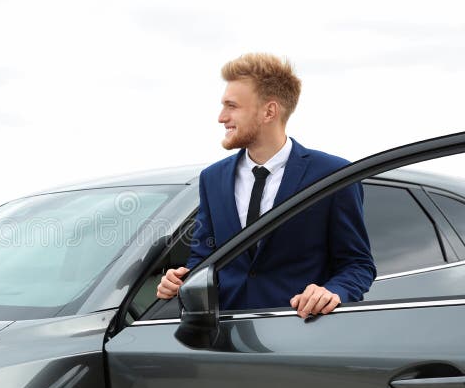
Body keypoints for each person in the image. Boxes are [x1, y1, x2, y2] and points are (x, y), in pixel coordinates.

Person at [157, 53, 375, 318]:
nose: (221, 117)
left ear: (269, 111)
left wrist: (332, 291)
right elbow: (204, 260)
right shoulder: (212, 178)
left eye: (232, 106)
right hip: (225, 338)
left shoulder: (333, 174)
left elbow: (357, 264)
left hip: (301, 334)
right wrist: (181, 279)